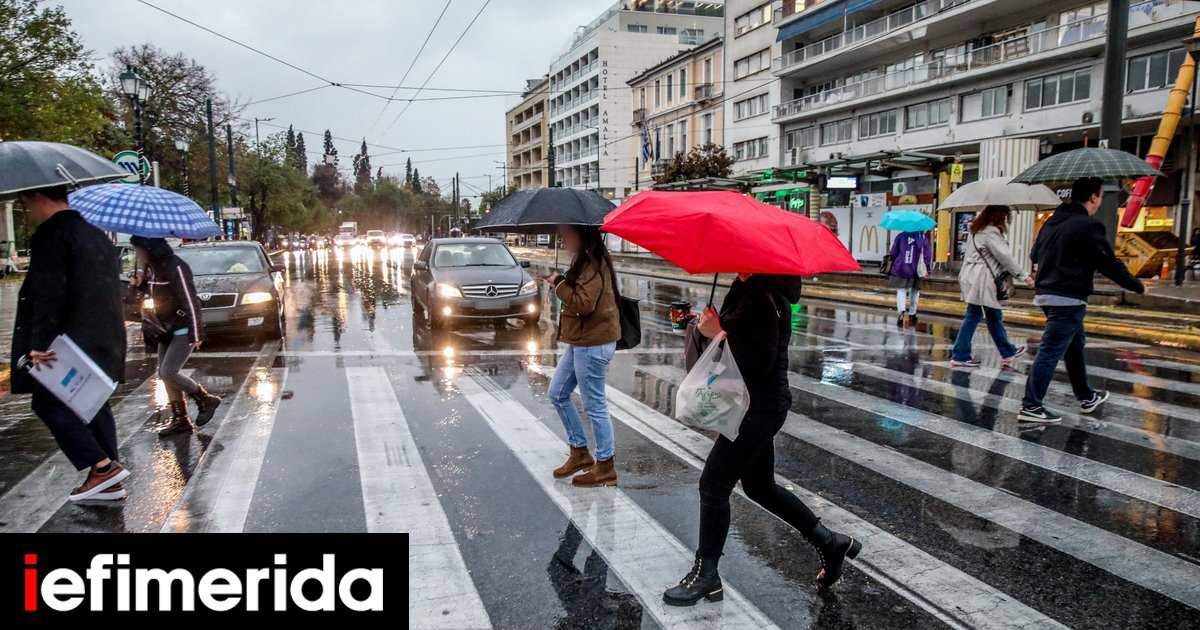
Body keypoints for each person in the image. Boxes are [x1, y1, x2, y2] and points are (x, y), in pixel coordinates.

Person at [663, 274, 861, 606]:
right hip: (754, 405)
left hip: (757, 410)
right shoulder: (748, 289)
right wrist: (706, 327)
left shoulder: (763, 298)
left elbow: (759, 363)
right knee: (759, 486)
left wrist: (719, 335)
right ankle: (830, 543)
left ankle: (706, 575)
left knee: (713, 485)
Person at [10, 185, 129, 501]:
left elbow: (49, 293)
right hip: (104, 337)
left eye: (24, 203)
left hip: (68, 341)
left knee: (47, 402)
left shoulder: (51, 235)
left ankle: (103, 468)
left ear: (39, 197)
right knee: (92, 402)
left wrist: (39, 343)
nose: (27, 212)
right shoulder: (96, 234)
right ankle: (108, 478)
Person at [1020, 177, 1147, 424]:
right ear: (1093, 197)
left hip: (1048, 293)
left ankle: (1087, 396)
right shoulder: (1087, 226)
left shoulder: (1051, 222)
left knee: (1074, 345)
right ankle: (1031, 406)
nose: (1100, 201)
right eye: (1100, 196)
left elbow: (1034, 254)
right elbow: (1108, 263)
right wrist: (1137, 286)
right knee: (1050, 350)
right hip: (1068, 296)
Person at [545, 225, 621, 487]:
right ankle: (579, 452)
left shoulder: (593, 263)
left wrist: (559, 285)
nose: (562, 238)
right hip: (581, 341)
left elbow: (582, 304)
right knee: (557, 393)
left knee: (595, 406)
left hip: (593, 343)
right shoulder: (584, 261)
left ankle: (605, 466)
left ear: (581, 235)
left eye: (566, 234)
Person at [129, 236, 220, 435]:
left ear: (150, 248)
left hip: (182, 328)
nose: (138, 254)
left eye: (139, 249)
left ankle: (205, 399)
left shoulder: (177, 267)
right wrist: (141, 284)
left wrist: (197, 332)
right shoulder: (153, 269)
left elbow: (190, 300)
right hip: (164, 329)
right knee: (163, 373)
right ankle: (181, 419)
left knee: (168, 372)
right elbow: (158, 296)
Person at [951, 205, 1035, 368]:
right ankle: (960, 354)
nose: (1006, 221)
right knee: (975, 315)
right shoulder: (990, 232)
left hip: (972, 276)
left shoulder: (976, 230)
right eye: (1004, 217)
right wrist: (1024, 276)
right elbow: (1005, 258)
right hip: (982, 279)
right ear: (998, 217)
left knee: (992, 316)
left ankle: (1007, 351)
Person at [887, 230, 931, 327]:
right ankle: (912, 313)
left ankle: (901, 312)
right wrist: (927, 268)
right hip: (916, 270)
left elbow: (893, 252)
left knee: (901, 290)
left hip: (901, 268)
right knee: (915, 291)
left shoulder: (900, 236)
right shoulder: (922, 237)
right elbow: (927, 255)